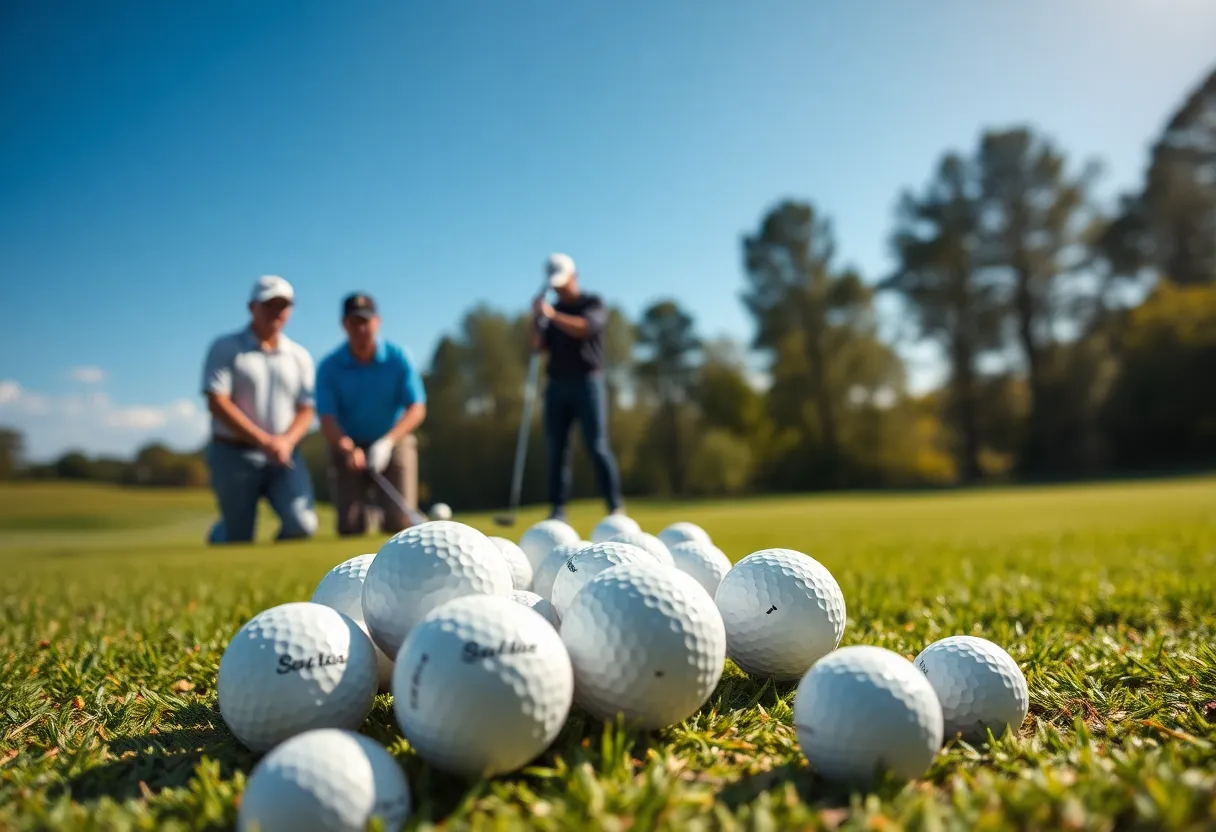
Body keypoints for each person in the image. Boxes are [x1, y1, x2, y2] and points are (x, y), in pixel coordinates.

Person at [201, 275, 318, 544]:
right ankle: (222, 531)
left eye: (283, 306)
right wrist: (264, 440)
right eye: (269, 305)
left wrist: (285, 441)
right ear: (252, 306)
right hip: (233, 453)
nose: (276, 312)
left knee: (302, 524)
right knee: (238, 537)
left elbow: (306, 409)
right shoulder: (226, 348)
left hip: (284, 455)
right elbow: (217, 401)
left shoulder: (299, 356)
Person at [316, 292, 427, 536]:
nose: (361, 328)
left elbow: (417, 409)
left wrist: (388, 442)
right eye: (355, 322)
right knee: (350, 526)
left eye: (366, 321)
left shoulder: (398, 358)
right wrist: (347, 448)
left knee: (400, 523)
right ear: (345, 325)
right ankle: (370, 514)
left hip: (393, 440)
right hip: (348, 446)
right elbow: (326, 419)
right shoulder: (329, 366)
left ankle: (388, 513)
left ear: (377, 322)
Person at [530, 253, 624, 521]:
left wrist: (551, 314)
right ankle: (558, 510)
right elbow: (536, 348)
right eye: (554, 284)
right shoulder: (548, 313)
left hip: (588, 382)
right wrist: (535, 318)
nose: (559, 288)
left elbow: (586, 328)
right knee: (557, 449)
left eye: (563, 281)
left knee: (597, 446)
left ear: (574, 276)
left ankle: (615, 506)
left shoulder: (592, 303)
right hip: (557, 385)